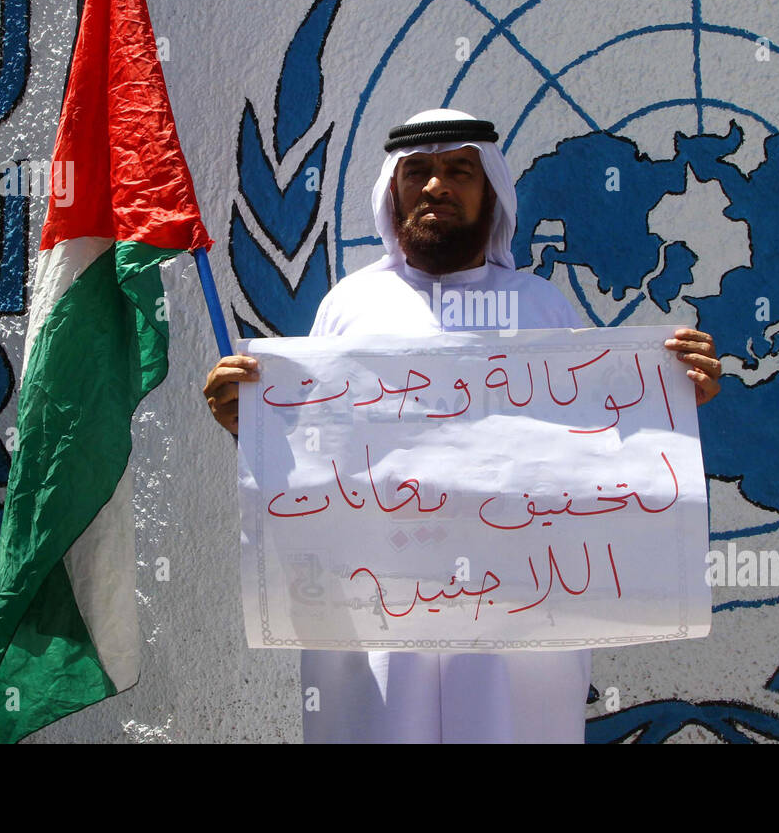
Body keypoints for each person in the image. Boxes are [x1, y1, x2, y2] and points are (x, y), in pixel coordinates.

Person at [204, 108, 721, 742]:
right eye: (416, 171)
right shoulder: (350, 309)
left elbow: (596, 454)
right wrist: (247, 423)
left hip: (518, 617)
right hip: (383, 615)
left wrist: (668, 402)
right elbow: (318, 455)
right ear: (392, 192)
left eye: (458, 171)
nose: (435, 186)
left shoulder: (541, 308)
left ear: (491, 191)